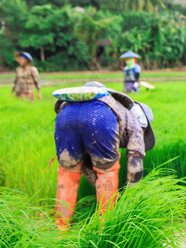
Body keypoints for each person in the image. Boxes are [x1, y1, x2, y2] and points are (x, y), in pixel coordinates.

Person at [53, 82, 147, 230]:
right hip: (100, 117)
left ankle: (60, 229)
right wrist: (132, 197)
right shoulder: (135, 122)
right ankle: (105, 228)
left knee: (68, 173)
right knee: (106, 173)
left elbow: (87, 162)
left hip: (65, 117)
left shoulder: (74, 102)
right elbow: (135, 164)